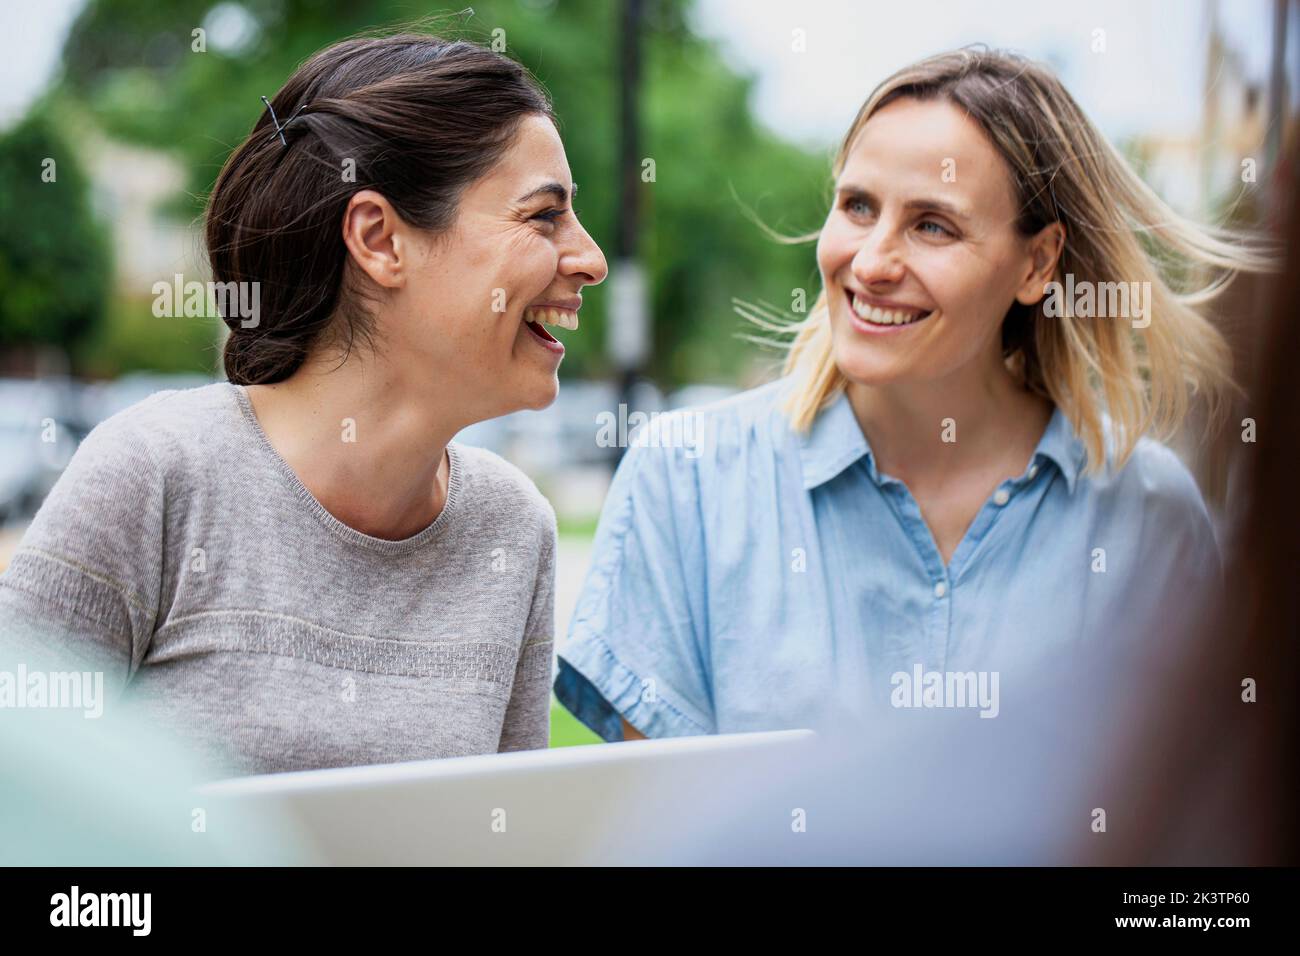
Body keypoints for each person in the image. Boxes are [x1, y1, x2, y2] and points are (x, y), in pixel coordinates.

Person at [555, 47, 1271, 742]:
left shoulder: (1149, 517)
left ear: (1038, 262)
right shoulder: (687, 480)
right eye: (858, 206)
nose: (870, 263)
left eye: (932, 225)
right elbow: (658, 829)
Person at [0, 32, 607, 774]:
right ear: (380, 240)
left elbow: (508, 838)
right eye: (543, 216)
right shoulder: (155, 474)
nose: (590, 259)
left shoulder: (514, 529)